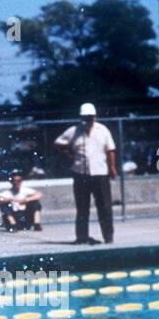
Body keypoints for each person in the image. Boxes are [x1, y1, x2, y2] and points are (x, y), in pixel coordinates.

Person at [55, 102, 116, 244]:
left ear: (95, 117)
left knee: (105, 207)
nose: (88, 120)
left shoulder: (103, 130)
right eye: (85, 117)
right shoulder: (73, 131)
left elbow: (110, 149)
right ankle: (81, 237)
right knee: (82, 208)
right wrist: (69, 155)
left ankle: (108, 237)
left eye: (90, 117)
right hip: (80, 173)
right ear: (80, 118)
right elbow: (58, 143)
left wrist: (112, 167)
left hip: (100, 173)